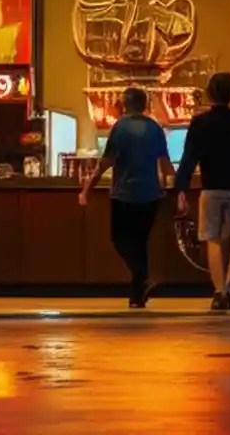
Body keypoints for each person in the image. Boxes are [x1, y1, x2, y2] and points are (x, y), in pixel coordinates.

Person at [78, 87, 175, 308]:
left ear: (124, 104)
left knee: (120, 239)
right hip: (151, 194)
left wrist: (87, 189)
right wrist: (179, 190)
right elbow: (166, 164)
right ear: (145, 105)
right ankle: (138, 294)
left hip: (124, 193)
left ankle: (143, 278)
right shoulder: (155, 129)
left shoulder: (119, 128)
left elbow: (106, 162)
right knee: (140, 242)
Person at [175, 72, 230, 311]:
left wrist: (181, 188)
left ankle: (219, 291)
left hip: (211, 188)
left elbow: (188, 159)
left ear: (210, 93)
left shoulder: (200, 123)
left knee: (212, 238)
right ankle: (228, 287)